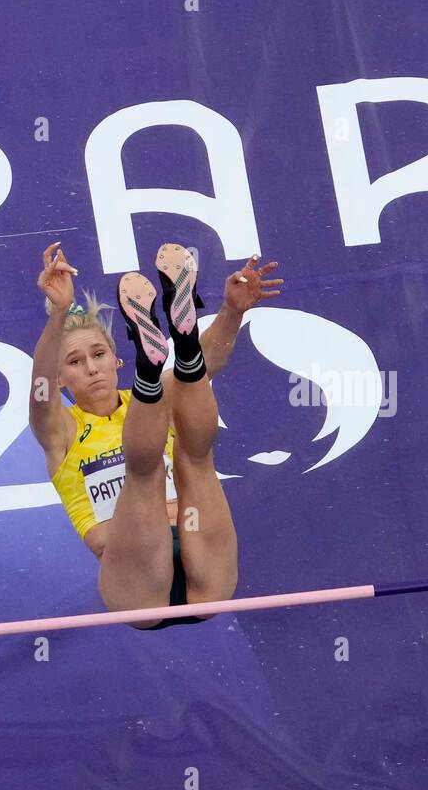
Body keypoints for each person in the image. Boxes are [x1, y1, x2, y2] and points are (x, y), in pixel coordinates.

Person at [28, 240, 281, 629]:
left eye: (98, 355)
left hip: (198, 540)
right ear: (61, 378)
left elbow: (213, 358)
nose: (92, 368)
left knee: (193, 456)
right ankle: (151, 365)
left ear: (115, 360)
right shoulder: (60, 430)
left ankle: (175, 347)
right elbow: (39, 391)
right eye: (75, 362)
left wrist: (232, 310)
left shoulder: (151, 401)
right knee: (142, 475)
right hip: (137, 580)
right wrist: (59, 312)